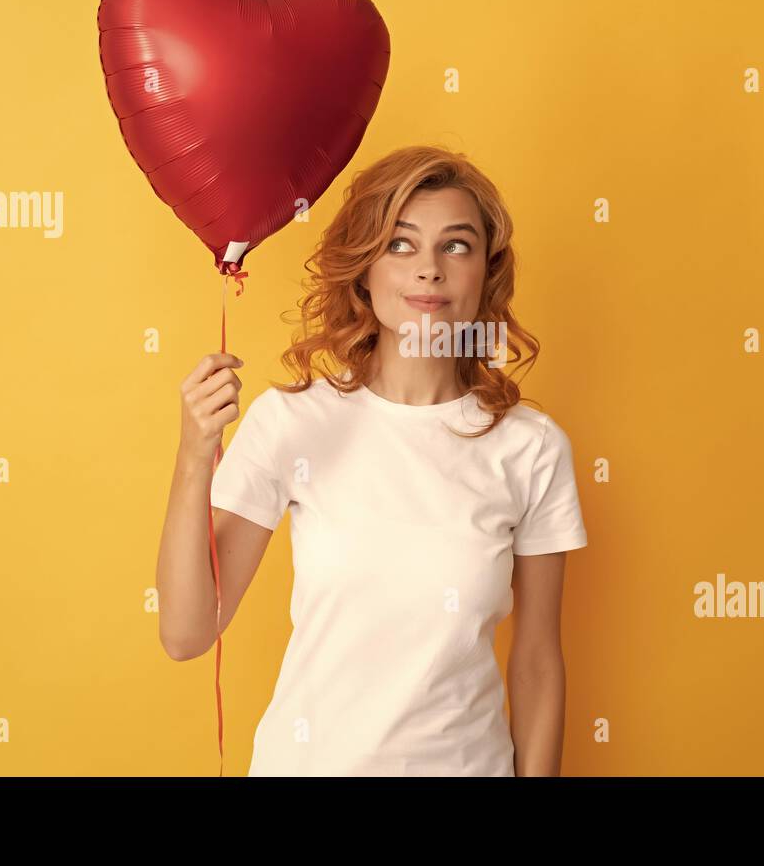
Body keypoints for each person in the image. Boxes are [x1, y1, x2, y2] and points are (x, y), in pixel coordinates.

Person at [155, 145, 588, 776]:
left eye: (457, 245)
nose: (429, 270)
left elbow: (539, 662)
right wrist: (196, 455)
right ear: (364, 269)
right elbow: (186, 633)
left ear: (485, 273)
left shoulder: (531, 448)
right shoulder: (293, 422)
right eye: (401, 244)